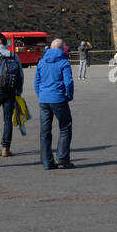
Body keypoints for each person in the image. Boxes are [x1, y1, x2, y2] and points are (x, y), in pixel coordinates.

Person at [35, 38, 75, 170]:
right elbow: (68, 82)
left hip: (44, 99)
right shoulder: (63, 62)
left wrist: (41, 94)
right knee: (65, 127)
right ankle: (62, 159)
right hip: (58, 98)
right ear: (62, 48)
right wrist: (69, 96)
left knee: (45, 131)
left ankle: (47, 161)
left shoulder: (41, 62)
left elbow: (37, 82)